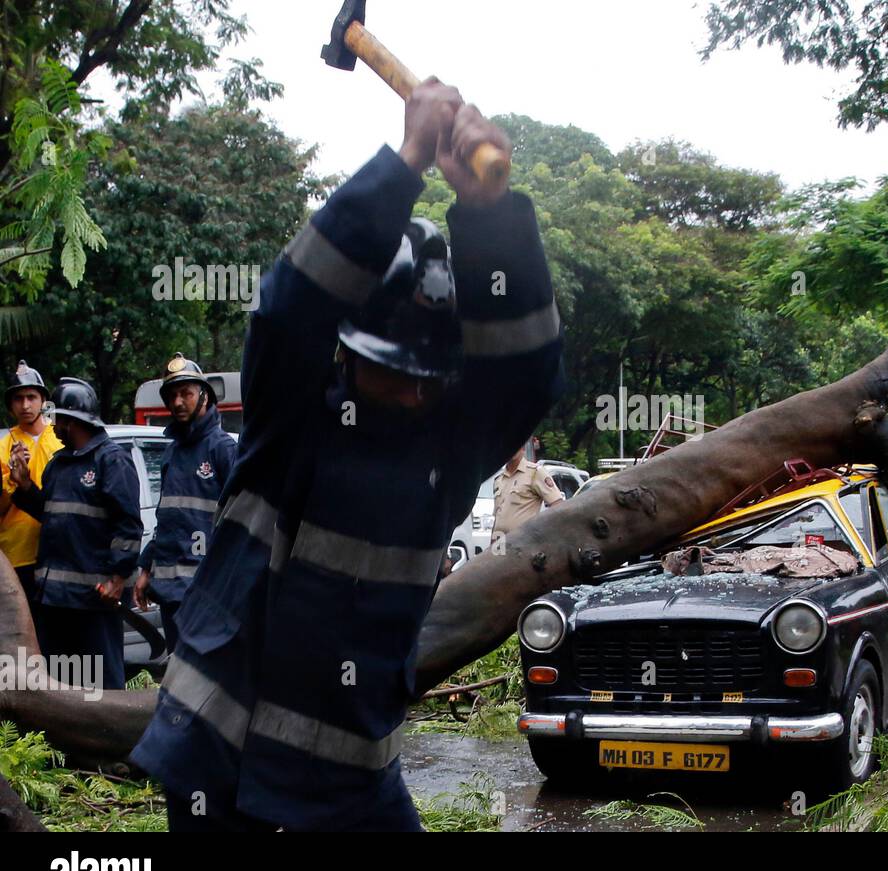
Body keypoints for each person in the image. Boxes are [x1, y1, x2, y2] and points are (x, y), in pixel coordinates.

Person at [129, 78, 563, 832]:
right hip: (219, 757)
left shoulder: (451, 453)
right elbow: (289, 303)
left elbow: (527, 370)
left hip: (351, 778)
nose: (402, 393)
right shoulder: (288, 418)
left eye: (420, 380)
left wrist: (488, 216)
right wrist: (406, 163)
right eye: (385, 371)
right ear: (343, 356)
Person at [9, 377, 143, 689]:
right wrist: (25, 486)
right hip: (54, 600)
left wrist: (117, 577)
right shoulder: (58, 465)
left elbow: (128, 525)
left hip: (93, 600)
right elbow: (51, 515)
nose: (52, 425)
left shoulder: (112, 461)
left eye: (57, 419)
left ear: (70, 422)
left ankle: (110, 738)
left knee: (100, 687)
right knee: (61, 684)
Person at [132, 354, 237, 652]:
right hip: (170, 592)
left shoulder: (223, 449)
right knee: (179, 676)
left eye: (186, 394)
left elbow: (240, 520)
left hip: (208, 592)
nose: (178, 402)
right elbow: (167, 520)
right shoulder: (172, 454)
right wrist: (146, 569)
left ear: (204, 396)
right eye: (173, 395)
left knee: (208, 679)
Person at [0, 361, 63, 607]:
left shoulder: (60, 438)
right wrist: (12, 481)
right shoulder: (4, 447)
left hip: (59, 551)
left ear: (43, 400)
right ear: (10, 405)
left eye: (31, 397)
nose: (25, 405)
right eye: (18, 399)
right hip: (18, 554)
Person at [491, 440, 565, 547]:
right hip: (500, 543)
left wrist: (543, 534)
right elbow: (498, 517)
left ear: (523, 448)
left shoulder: (535, 472)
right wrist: (492, 546)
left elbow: (557, 506)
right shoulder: (499, 479)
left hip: (523, 543)